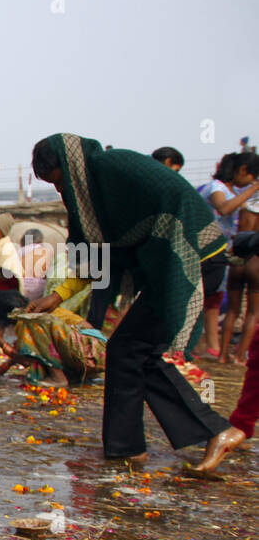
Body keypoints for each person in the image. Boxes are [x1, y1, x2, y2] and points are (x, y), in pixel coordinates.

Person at [28, 134, 233, 466]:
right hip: (173, 266)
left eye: (60, 182)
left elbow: (173, 196)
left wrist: (173, 249)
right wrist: (57, 296)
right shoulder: (94, 194)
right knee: (131, 351)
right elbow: (98, 258)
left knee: (131, 349)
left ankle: (200, 433)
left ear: (71, 167)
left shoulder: (114, 165)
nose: (61, 191)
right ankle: (129, 447)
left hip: (190, 260)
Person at [0, 288, 106, 386]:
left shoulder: (29, 320)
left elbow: (26, 361)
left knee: (34, 323)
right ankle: (63, 376)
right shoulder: (34, 312)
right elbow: (26, 353)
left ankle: (57, 378)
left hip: (90, 352)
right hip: (97, 352)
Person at [207, 153, 259, 364]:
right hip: (256, 260)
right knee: (253, 313)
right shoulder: (243, 195)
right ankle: (239, 356)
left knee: (231, 310)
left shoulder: (245, 204)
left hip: (237, 259)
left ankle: (221, 355)